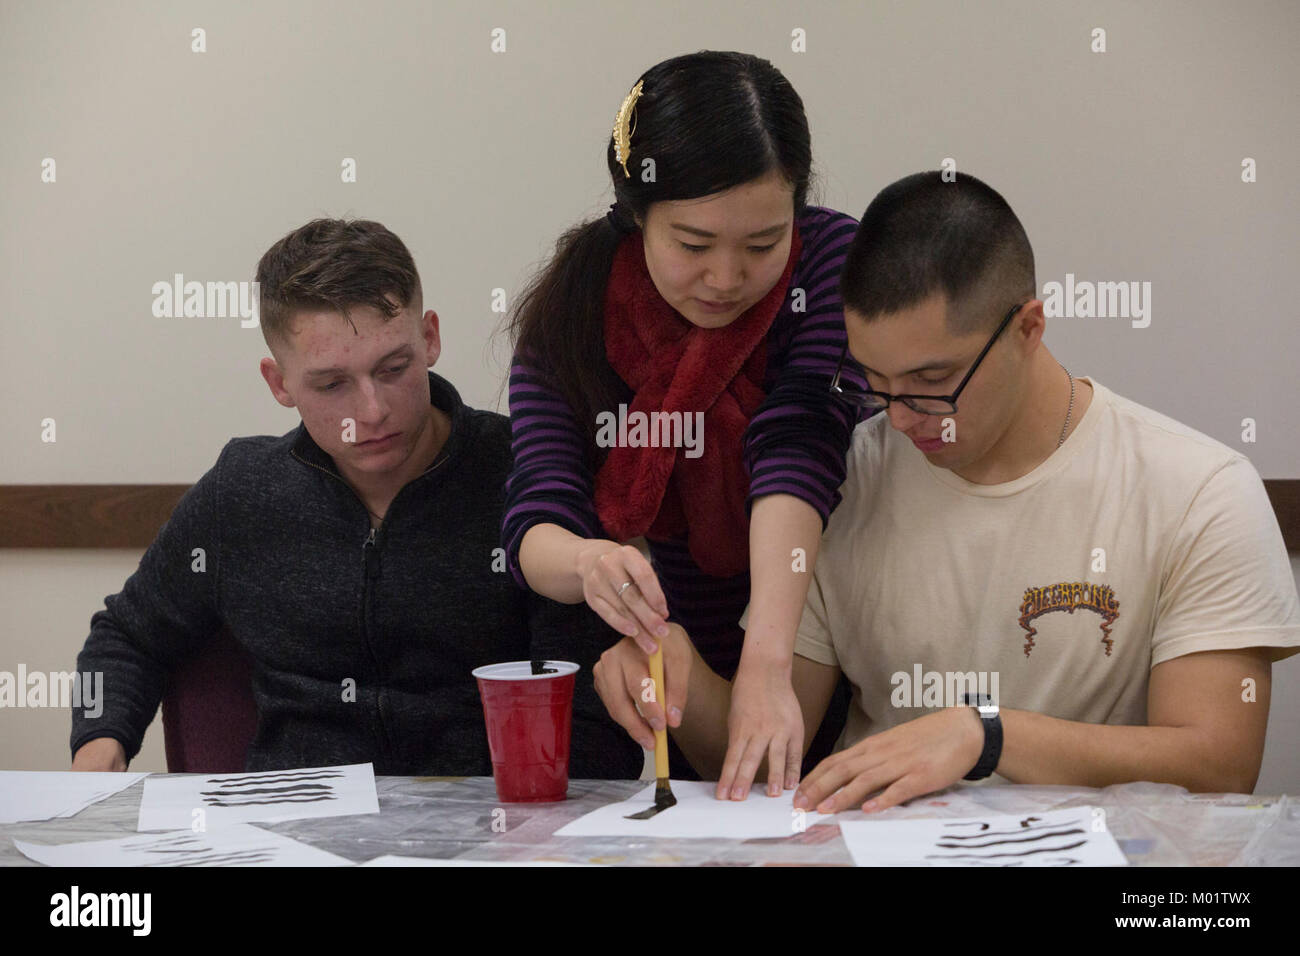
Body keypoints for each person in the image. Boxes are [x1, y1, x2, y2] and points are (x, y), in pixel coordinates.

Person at [592, 171, 1300, 806]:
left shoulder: (1197, 491)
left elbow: (1219, 763)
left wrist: (984, 736)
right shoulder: (843, 480)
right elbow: (768, 750)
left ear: (1028, 328)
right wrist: (676, 674)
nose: (900, 419)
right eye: (874, 382)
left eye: (932, 384)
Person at [70, 218, 641, 778]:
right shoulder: (242, 491)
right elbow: (127, 634)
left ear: (430, 339)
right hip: (288, 825)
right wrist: (99, 745)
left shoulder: (530, 472)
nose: (371, 411)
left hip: (490, 823)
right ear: (279, 384)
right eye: (331, 385)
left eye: (393, 369)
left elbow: (593, 706)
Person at [501, 51, 869, 795]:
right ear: (636, 213)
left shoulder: (832, 260)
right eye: (693, 245)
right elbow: (538, 513)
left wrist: (767, 661)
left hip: (820, 628)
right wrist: (590, 564)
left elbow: (801, 442)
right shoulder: (577, 308)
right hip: (666, 634)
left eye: (763, 244)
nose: (727, 278)